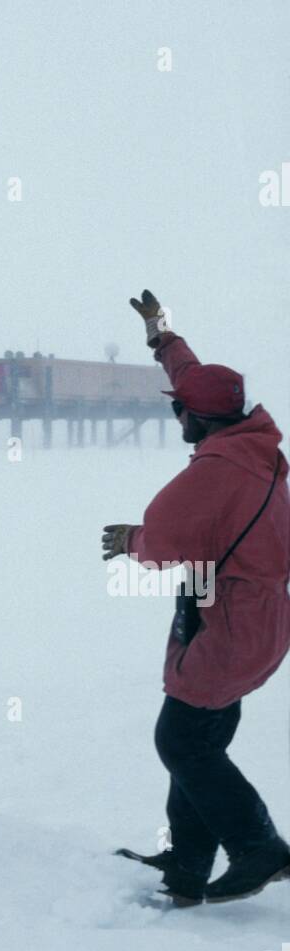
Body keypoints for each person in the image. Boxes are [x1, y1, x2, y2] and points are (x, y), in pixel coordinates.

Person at [102, 290, 290, 906]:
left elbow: (166, 541)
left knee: (180, 742)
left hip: (230, 628)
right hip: (254, 621)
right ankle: (186, 863)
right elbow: (199, 381)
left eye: (178, 411)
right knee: (199, 742)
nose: (173, 417)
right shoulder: (249, 441)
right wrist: (162, 337)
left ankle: (258, 847)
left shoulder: (217, 473)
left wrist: (129, 538)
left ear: (198, 420)